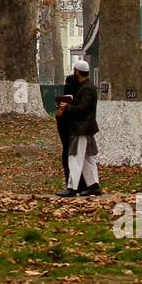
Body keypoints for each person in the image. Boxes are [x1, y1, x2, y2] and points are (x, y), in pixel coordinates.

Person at [56, 59, 101, 197]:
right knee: (87, 159)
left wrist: (66, 107)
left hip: (81, 128)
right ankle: (94, 186)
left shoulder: (87, 88)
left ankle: (72, 187)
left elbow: (83, 109)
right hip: (84, 128)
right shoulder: (86, 87)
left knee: (74, 157)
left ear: (77, 72)